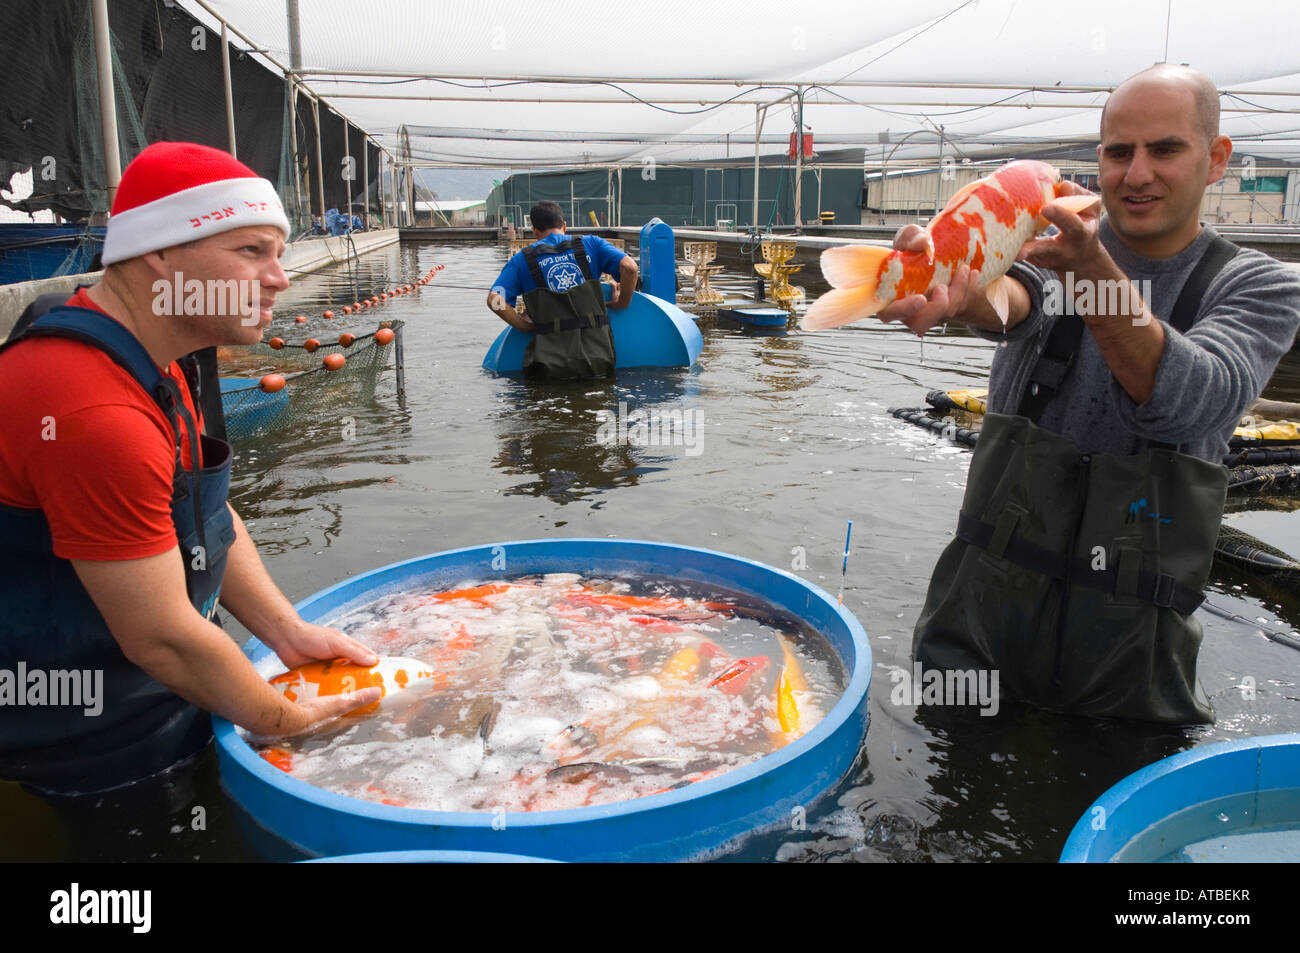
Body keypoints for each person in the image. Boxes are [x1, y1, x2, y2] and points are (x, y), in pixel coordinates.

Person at [881, 65, 1300, 723]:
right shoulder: (1052, 249)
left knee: (1112, 795)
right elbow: (1014, 299)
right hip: (978, 631)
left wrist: (1092, 269)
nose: (1136, 174)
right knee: (942, 791)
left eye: (1164, 149)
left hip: (1127, 663)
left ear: (1216, 159)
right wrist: (956, 290)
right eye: (1117, 151)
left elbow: (1188, 400)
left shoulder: (1259, 287)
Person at [0, 142, 380, 798]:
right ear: (163, 253)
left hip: (159, 702)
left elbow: (200, 510)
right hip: (66, 756)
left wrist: (287, 633)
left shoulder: (157, 357)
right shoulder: (91, 409)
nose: (280, 278)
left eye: (279, 255)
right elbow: (164, 640)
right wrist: (288, 721)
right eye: (251, 251)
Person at [487, 200, 638, 379]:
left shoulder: (521, 260)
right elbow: (630, 268)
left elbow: (494, 300)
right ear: (564, 226)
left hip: (549, 367)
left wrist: (525, 326)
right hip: (598, 359)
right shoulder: (592, 244)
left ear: (534, 231)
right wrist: (622, 303)